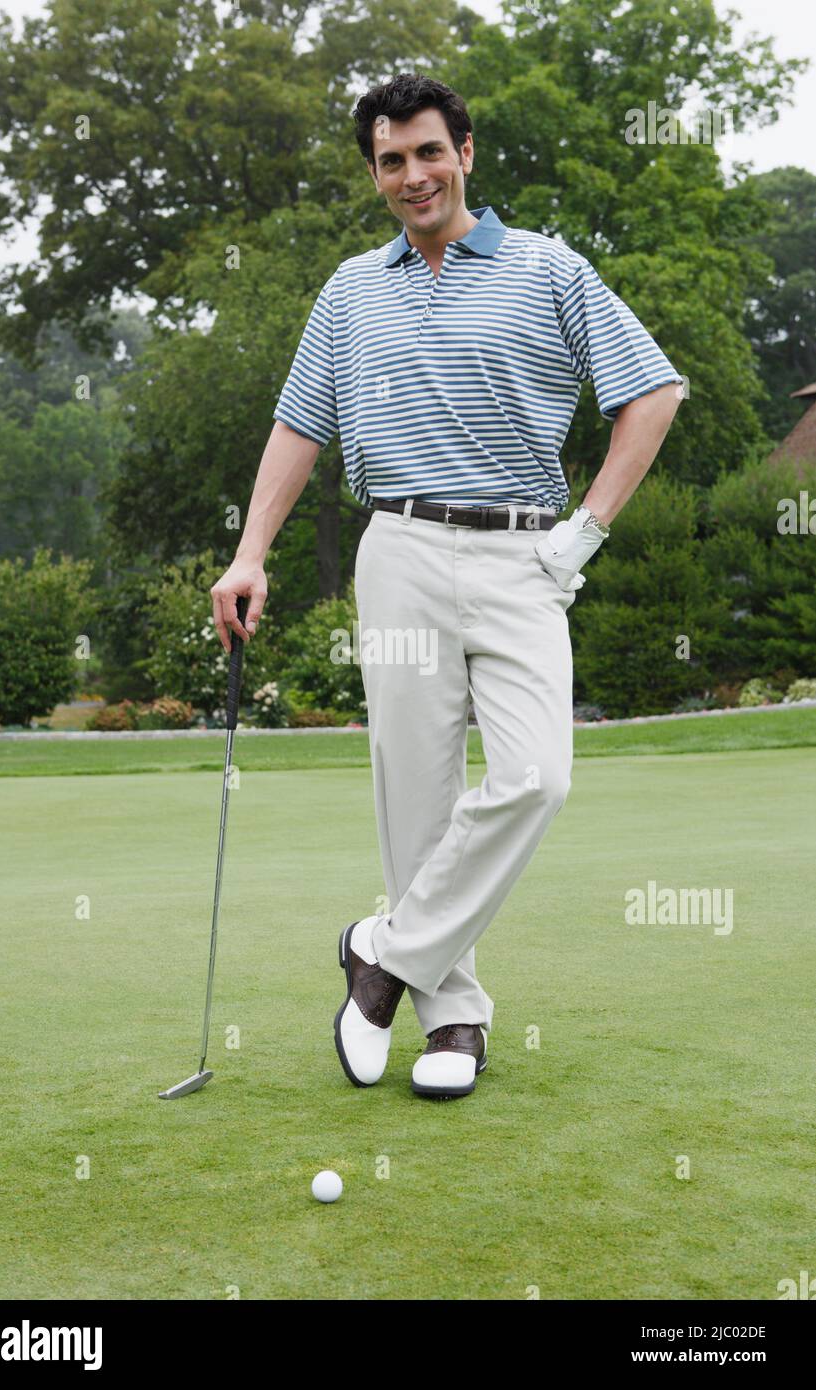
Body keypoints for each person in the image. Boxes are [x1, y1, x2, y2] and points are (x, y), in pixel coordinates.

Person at [210, 73, 682, 1101]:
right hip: (401, 551)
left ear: (464, 152)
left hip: (525, 554)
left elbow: (651, 392)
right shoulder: (349, 289)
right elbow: (299, 426)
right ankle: (453, 1016)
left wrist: (583, 533)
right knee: (413, 795)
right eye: (390, 160)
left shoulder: (547, 267)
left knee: (535, 776)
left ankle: (379, 954)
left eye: (428, 152)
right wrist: (250, 552)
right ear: (375, 172)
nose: (411, 175)